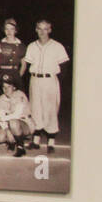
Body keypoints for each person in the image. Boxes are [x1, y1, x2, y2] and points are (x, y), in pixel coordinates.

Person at [22, 19, 69, 153]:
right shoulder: (32, 46)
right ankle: (35, 141)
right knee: (35, 108)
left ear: (50, 30)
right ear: (36, 29)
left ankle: (51, 142)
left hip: (50, 80)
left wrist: (57, 81)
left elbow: (64, 67)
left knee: (50, 109)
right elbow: (28, 65)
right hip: (35, 79)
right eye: (39, 28)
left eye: (45, 29)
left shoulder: (57, 46)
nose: (42, 32)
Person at [0, 76, 32, 157]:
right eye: (4, 87)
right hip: (9, 125)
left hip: (25, 123)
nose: (6, 89)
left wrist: (0, 119)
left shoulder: (20, 95)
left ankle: (20, 147)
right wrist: (7, 130)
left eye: (9, 87)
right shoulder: (1, 99)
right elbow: (1, 115)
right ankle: (12, 141)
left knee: (13, 122)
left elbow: (17, 114)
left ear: (14, 87)